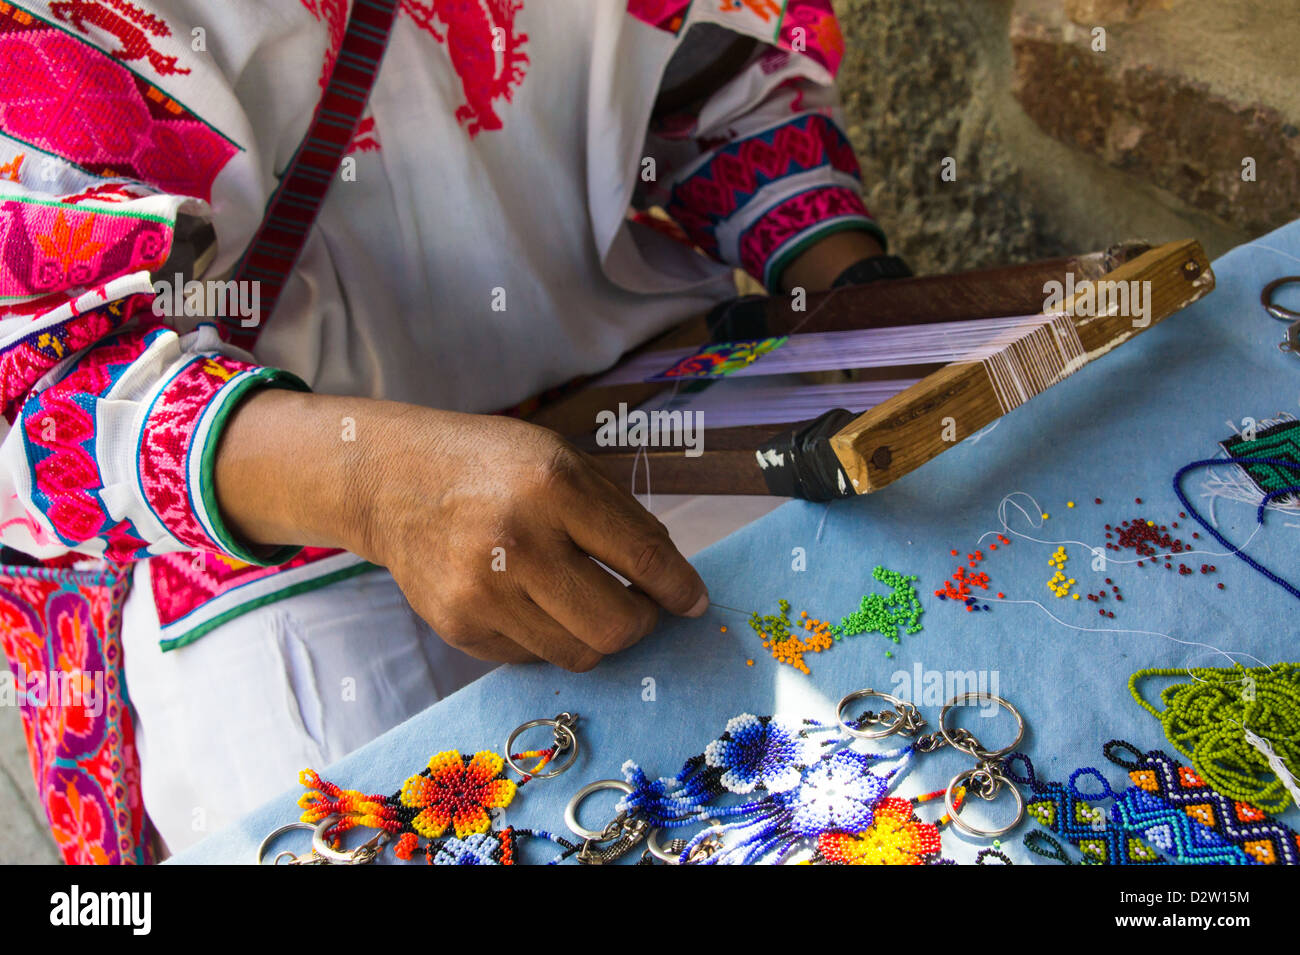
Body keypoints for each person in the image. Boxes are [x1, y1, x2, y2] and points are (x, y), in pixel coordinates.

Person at [0, 0, 897, 853]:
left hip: (642, 402)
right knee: (332, 827)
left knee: (897, 719)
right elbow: (48, 389)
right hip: (273, 521)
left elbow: (716, 88)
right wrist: (380, 485)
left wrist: (857, 292)